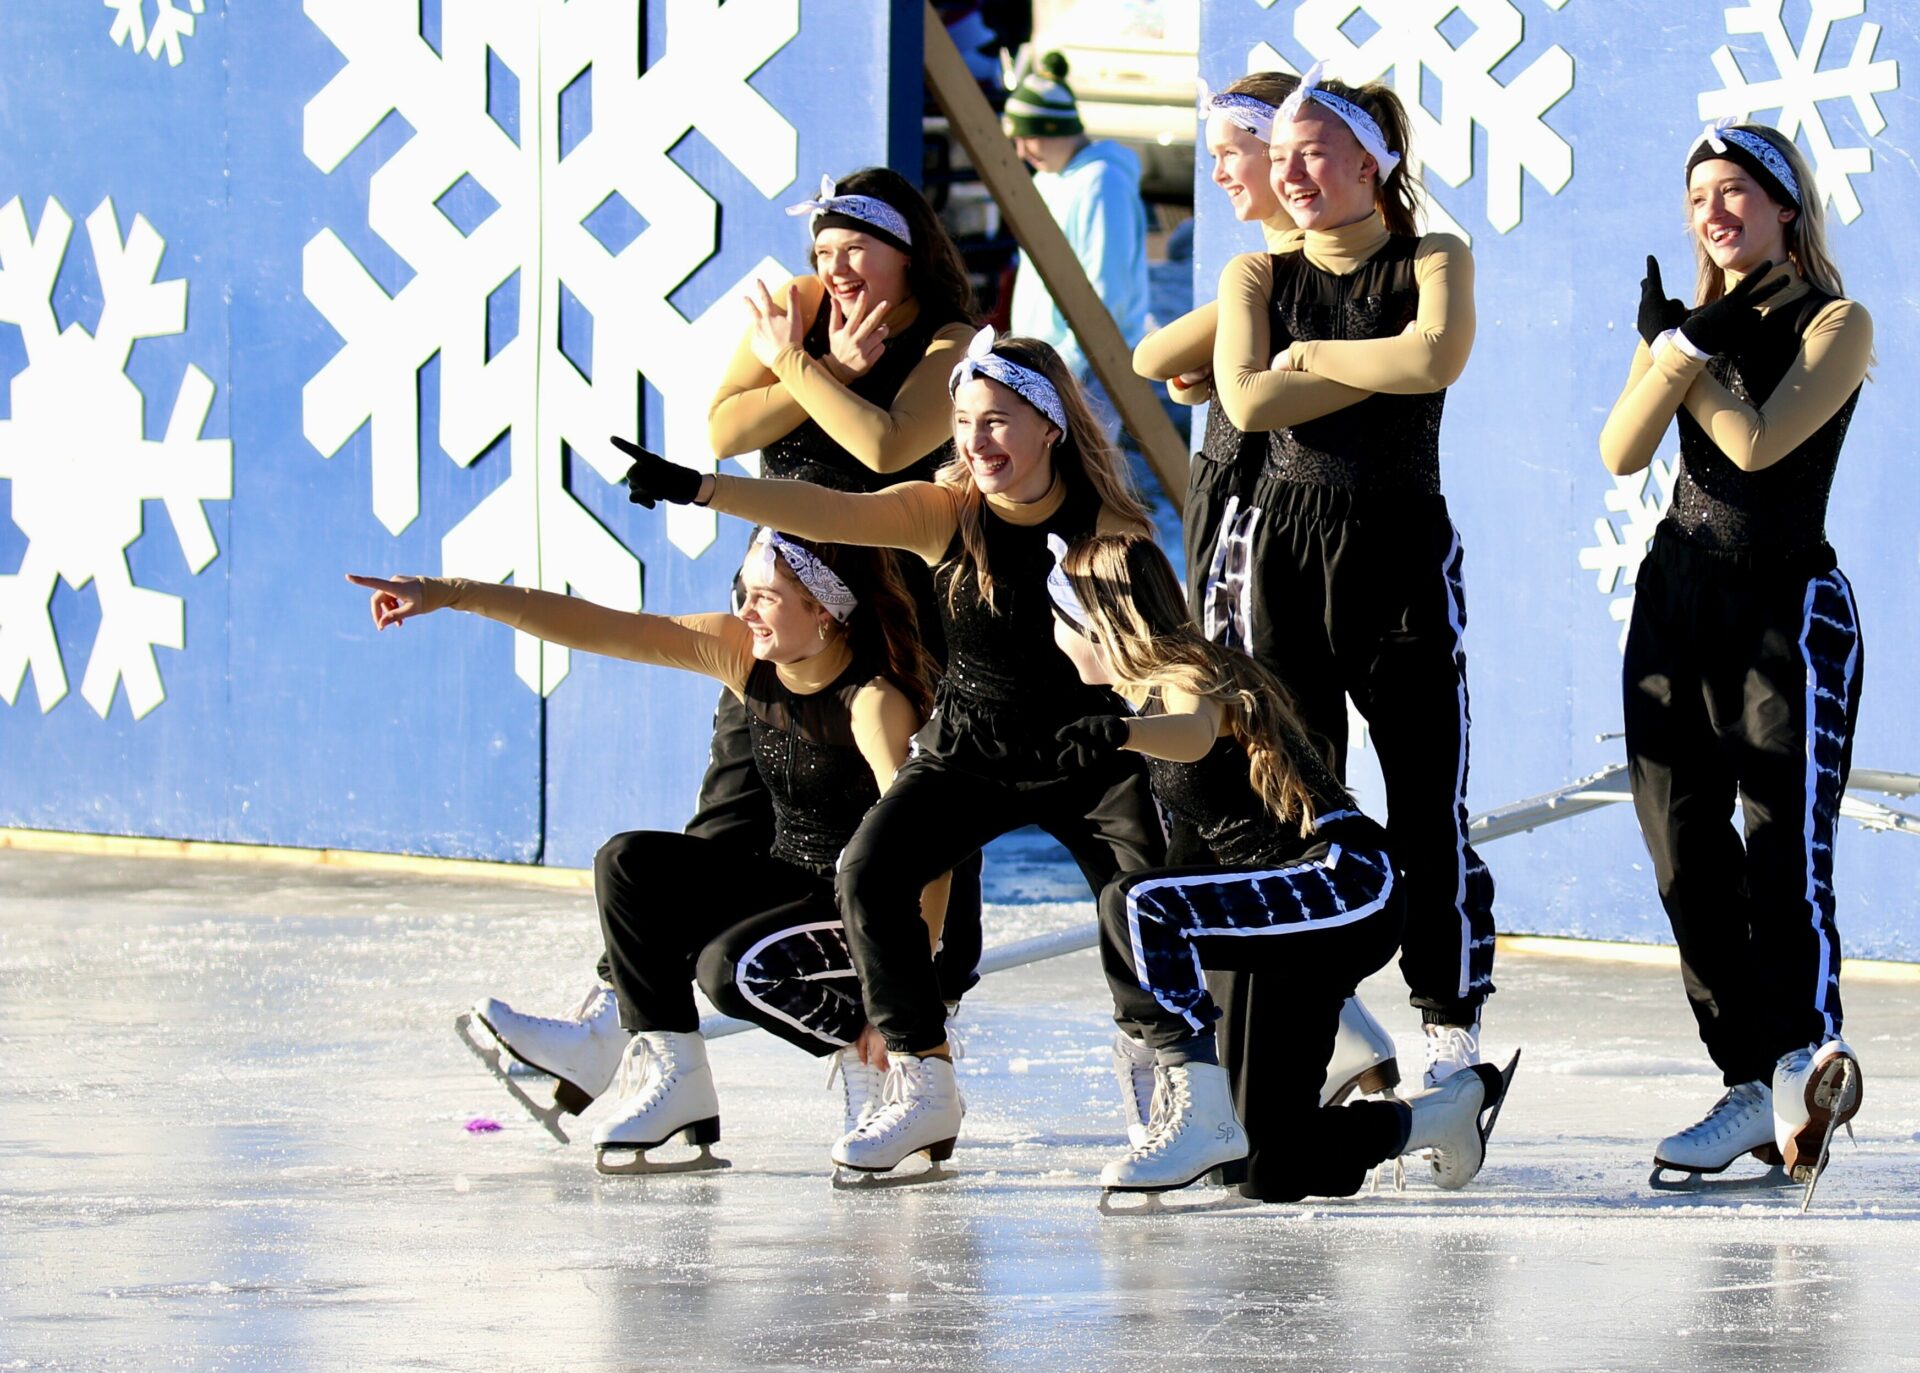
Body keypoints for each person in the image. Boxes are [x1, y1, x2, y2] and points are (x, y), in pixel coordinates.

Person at [615, 327, 1165, 1177]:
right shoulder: (947, 510)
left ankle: (1167, 1066)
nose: (977, 442)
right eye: (965, 421)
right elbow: (837, 512)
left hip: (1084, 745)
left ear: (1051, 424)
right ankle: (921, 1078)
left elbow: (1168, 660)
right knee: (870, 866)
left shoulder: (1112, 531)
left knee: (1137, 894)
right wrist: (701, 488)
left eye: (999, 421)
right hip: (972, 744)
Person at [475, 168, 987, 1073]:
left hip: (894, 621)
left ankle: (901, 1029)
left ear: (909, 253)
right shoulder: (801, 303)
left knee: (895, 814)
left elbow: (884, 445)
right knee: (729, 807)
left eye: (855, 249)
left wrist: (797, 366)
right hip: (782, 606)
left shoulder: (951, 340)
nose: (835, 268)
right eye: (822, 250)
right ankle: (615, 1025)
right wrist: (826, 366)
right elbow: (723, 427)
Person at [346, 531, 951, 1171]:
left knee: (731, 971)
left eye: (766, 598)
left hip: (867, 910)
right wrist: (447, 594)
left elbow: (926, 851)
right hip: (789, 880)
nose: (745, 608)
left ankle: (888, 1058)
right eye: (745, 591)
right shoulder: (744, 654)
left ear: (824, 611)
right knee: (629, 863)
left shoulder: (876, 702)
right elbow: (600, 626)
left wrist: (910, 999)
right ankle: (677, 1076)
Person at [1046, 533, 1514, 1201]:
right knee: (1269, 1164)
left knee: (1135, 900)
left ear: (1095, 619)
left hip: (1341, 878)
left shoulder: (1188, 675)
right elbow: (1188, 863)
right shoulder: (1148, 701)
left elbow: (1196, 734)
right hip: (1278, 918)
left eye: (1057, 613)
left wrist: (1125, 735)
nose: (1052, 631)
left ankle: (1196, 1106)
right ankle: (1435, 1118)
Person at [1597, 119, 1872, 1202]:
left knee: (1779, 845)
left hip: (1785, 606)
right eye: (1699, 196)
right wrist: (1672, 348)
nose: (1714, 213)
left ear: (1785, 208)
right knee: (1679, 845)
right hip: (1676, 598)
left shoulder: (1834, 320)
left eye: (1736, 194)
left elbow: (1758, 447)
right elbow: (1622, 450)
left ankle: (1805, 1059)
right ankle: (1746, 1081)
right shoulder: (1685, 324)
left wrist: (1687, 357)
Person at [1210, 63, 1495, 1090]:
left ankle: (1448, 1018)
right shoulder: (1255, 278)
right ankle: (1317, 1008)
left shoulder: (1433, 255)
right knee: (1299, 794)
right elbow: (1244, 404)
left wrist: (1307, 362)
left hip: (1399, 546)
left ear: (1373, 164)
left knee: (1426, 797)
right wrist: (1315, 367)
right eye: (1277, 157)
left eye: (1313, 153)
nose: (1289, 175)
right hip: (1286, 551)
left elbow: (1432, 363)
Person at [1130, 70, 1401, 1149]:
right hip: (1232, 524)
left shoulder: (1298, 271)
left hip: (1274, 539)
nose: (1235, 174)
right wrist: (1232, 346)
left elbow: (1235, 381)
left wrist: (1255, 350)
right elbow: (1158, 359)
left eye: (1233, 152)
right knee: (1227, 774)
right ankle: (1327, 1019)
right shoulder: (1256, 273)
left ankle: (1328, 1009)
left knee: (1269, 768)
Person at [1002, 50, 1150, 390]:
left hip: (1087, 369)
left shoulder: (1102, 184)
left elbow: (1108, 286)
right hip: (1041, 364)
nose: (1021, 153)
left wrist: (1068, 362)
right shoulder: (1048, 179)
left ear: (1057, 128)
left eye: (1028, 136)